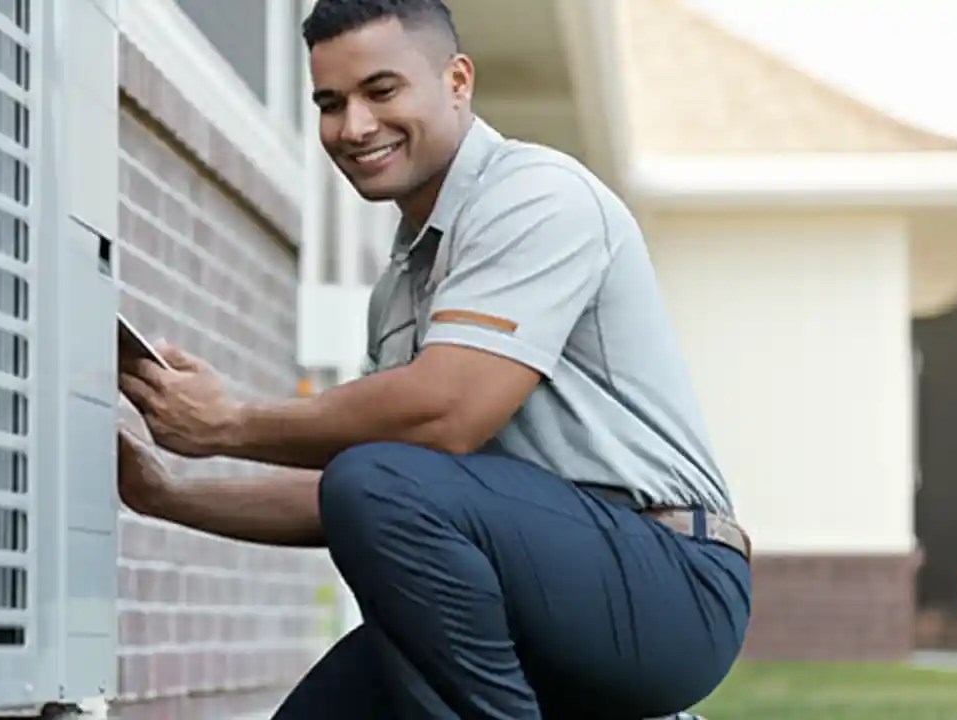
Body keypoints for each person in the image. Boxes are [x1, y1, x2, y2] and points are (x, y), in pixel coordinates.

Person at [117, 0, 752, 717]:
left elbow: (448, 413)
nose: (353, 127)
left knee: (375, 475)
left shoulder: (537, 196)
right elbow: (353, 499)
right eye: (331, 103)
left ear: (457, 81)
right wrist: (166, 495)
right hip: (518, 585)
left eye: (381, 91)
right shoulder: (398, 292)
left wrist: (230, 424)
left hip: (665, 590)